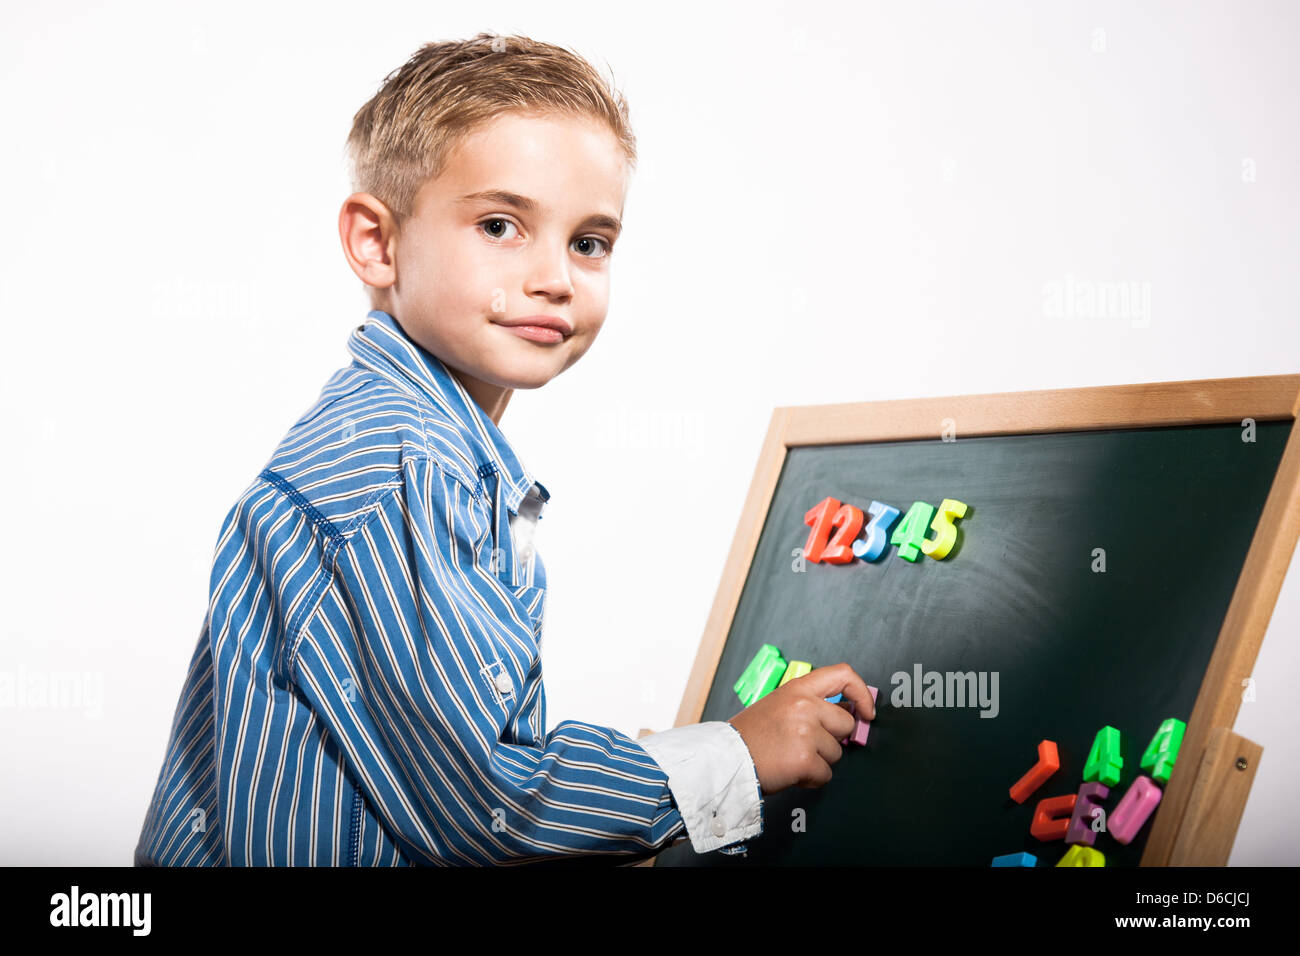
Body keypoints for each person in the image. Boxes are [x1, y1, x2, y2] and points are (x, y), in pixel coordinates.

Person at [134, 32, 874, 866]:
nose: (555, 276)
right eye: (500, 225)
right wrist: (728, 757)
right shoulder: (398, 469)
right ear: (377, 243)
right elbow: (482, 799)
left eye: (589, 242)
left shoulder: (420, 445)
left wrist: (636, 775)